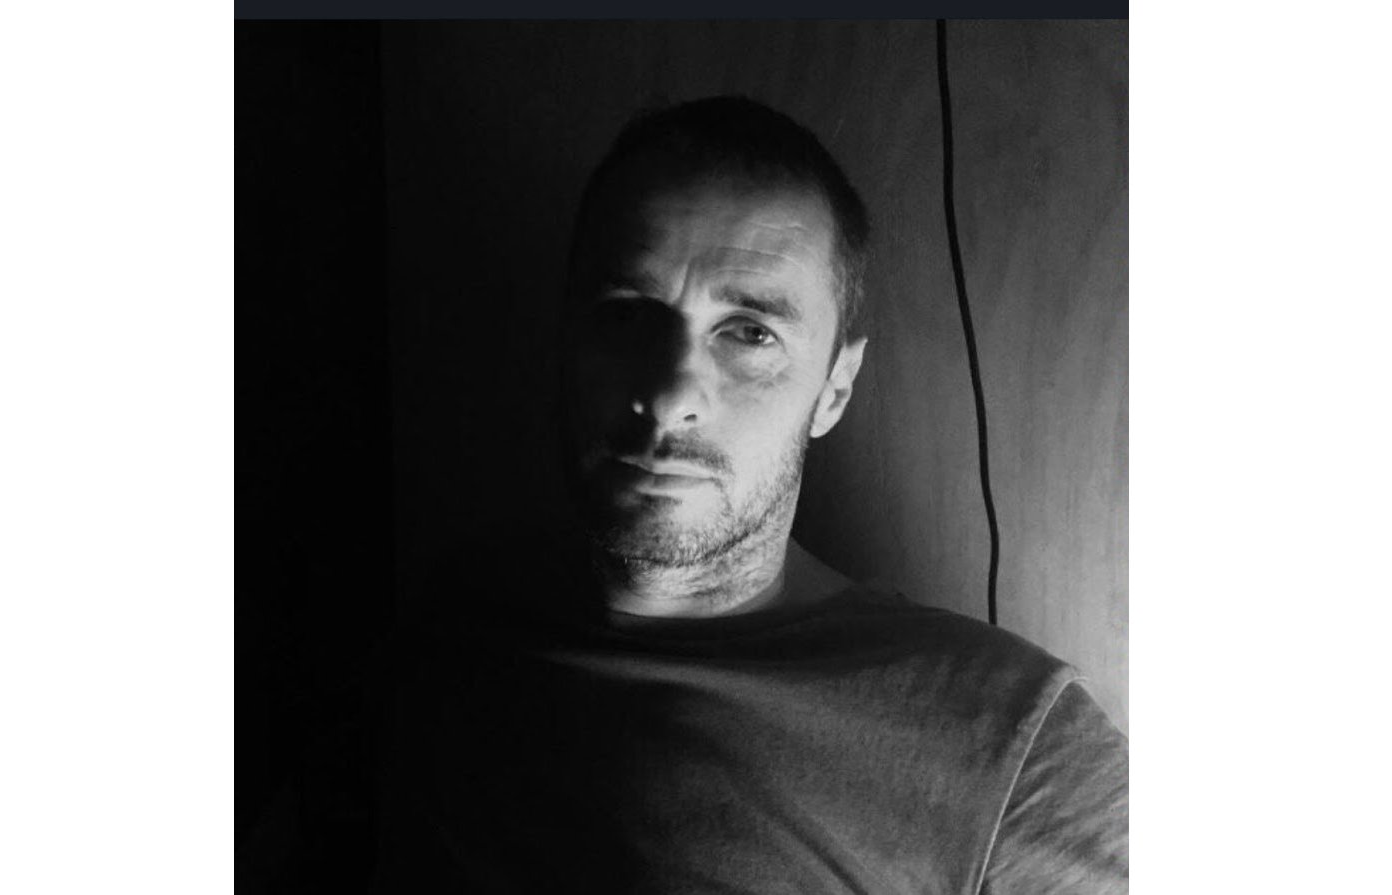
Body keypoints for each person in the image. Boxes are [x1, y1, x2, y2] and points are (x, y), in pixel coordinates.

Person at [375, 96, 1128, 894]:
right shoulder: (452, 623)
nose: (668, 397)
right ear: (564, 333)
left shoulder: (1013, 747)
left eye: (749, 333)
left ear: (833, 388)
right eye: (626, 314)